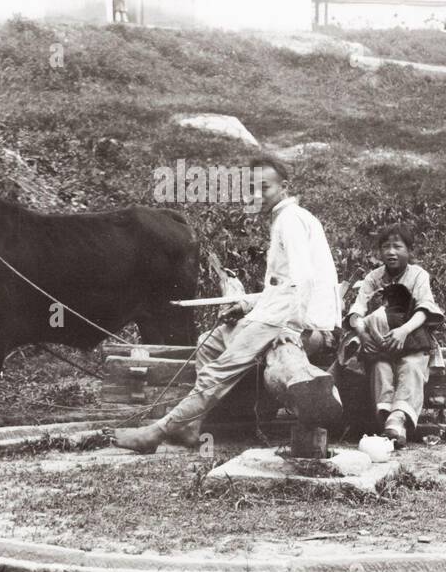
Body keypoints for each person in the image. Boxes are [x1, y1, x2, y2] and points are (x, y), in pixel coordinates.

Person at [114, 155, 341, 453]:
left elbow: (304, 280)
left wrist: (293, 327)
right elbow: (283, 287)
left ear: (283, 187)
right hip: (278, 313)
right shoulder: (285, 219)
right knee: (209, 343)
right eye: (251, 188)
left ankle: (156, 433)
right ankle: (191, 426)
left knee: (219, 369)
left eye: (265, 188)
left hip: (300, 323)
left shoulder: (291, 220)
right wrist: (246, 306)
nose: (257, 195)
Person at [346, 224, 444, 448]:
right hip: (380, 341)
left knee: (411, 367)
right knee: (380, 368)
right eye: (386, 247)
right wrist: (362, 333)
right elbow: (357, 311)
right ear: (379, 252)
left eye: (397, 246)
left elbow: (425, 309)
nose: (391, 252)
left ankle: (397, 418)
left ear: (409, 251)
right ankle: (386, 420)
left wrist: (404, 330)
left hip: (412, 339)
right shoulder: (373, 277)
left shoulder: (418, 275)